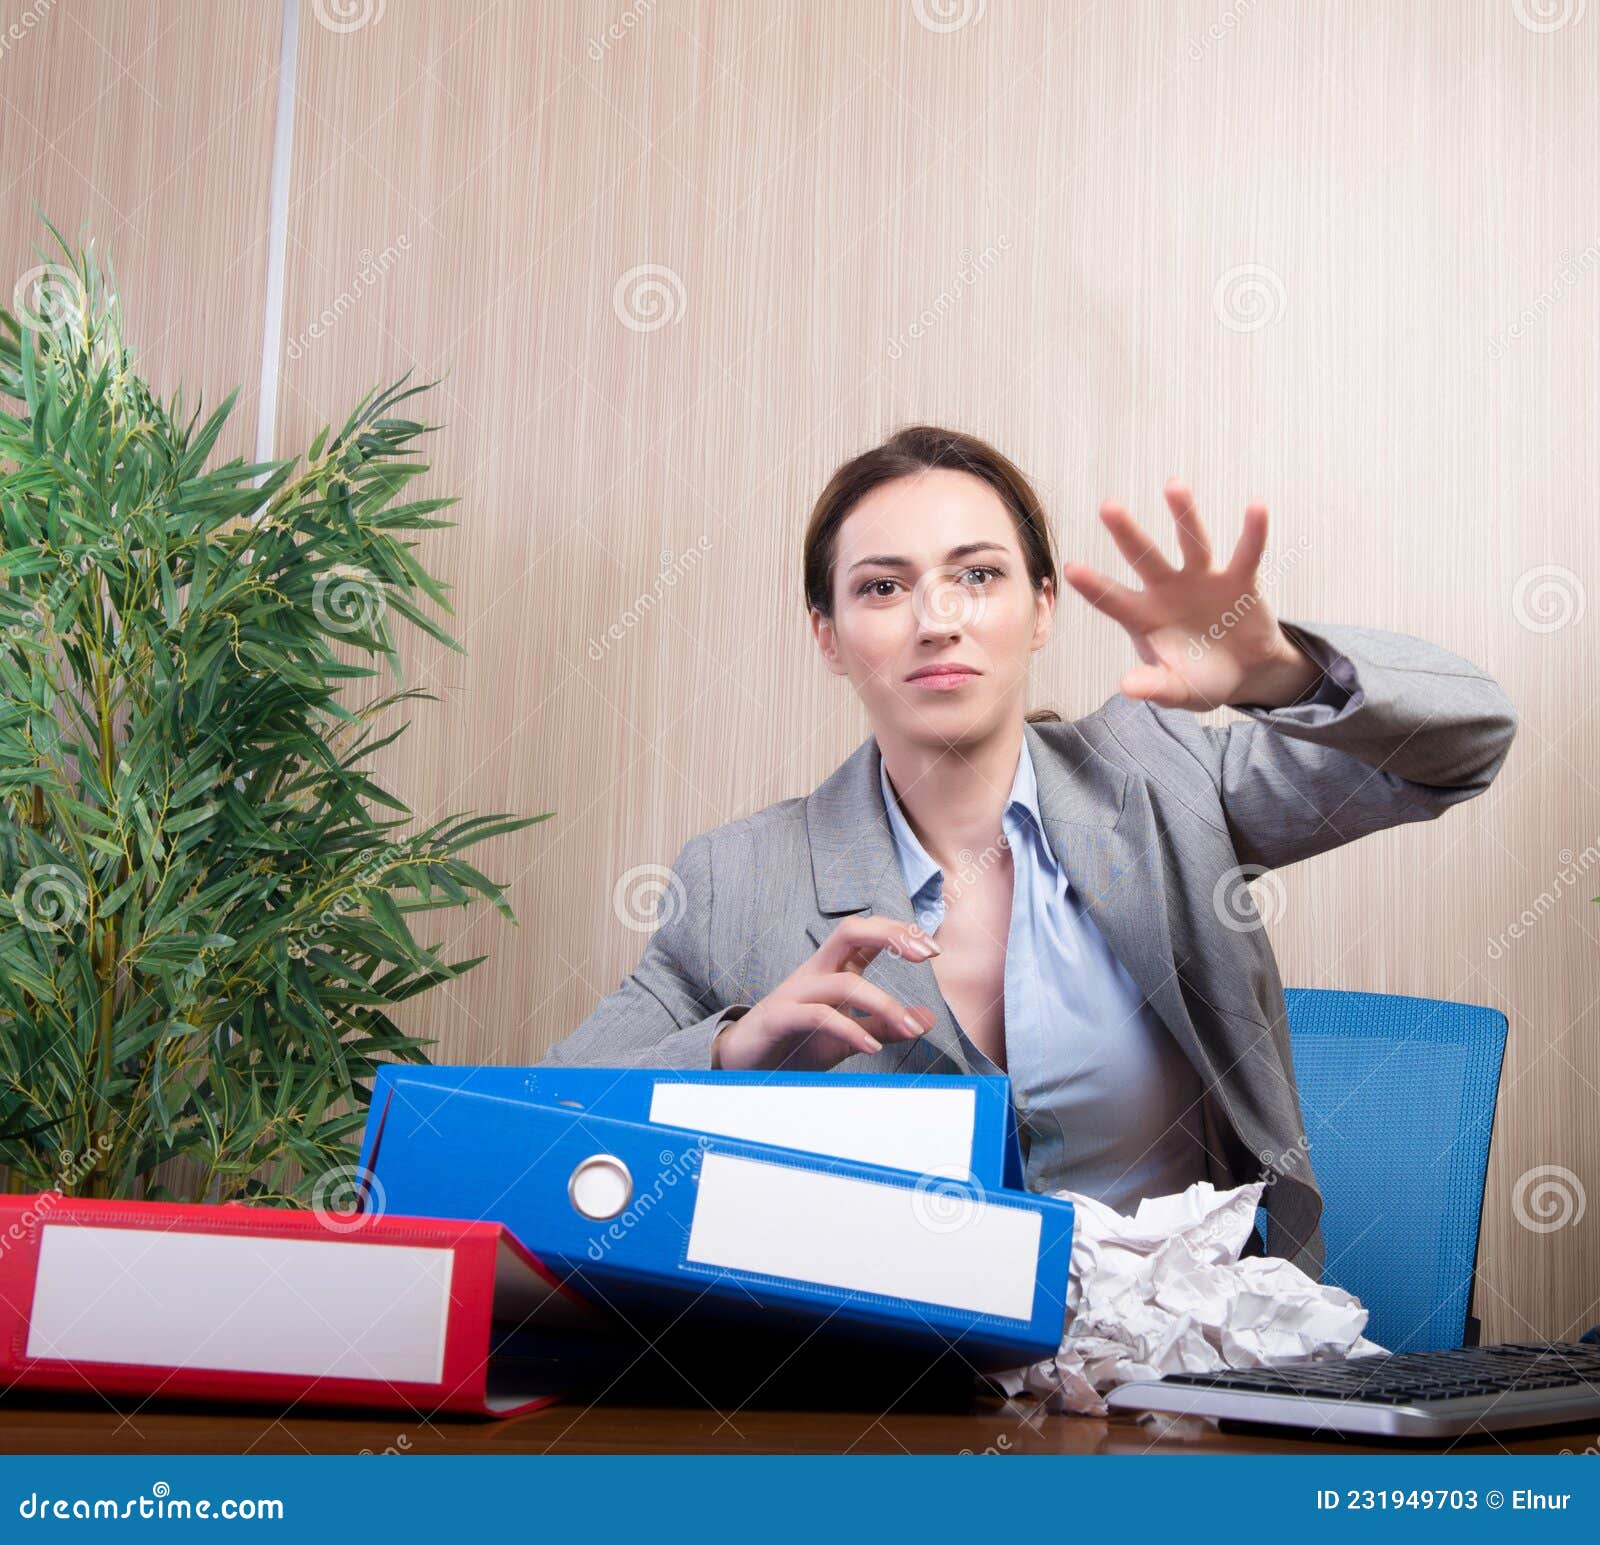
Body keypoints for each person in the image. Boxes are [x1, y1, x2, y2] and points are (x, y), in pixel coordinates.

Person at [540, 426, 1518, 1274]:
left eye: (978, 575)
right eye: (882, 588)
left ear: (1042, 608)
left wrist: (1274, 672)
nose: (938, 620)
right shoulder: (737, 876)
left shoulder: (1165, 783)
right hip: (891, 1401)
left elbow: (1462, 744)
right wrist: (729, 1050)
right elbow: (542, 1125)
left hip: (1185, 1379)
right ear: (828, 636)